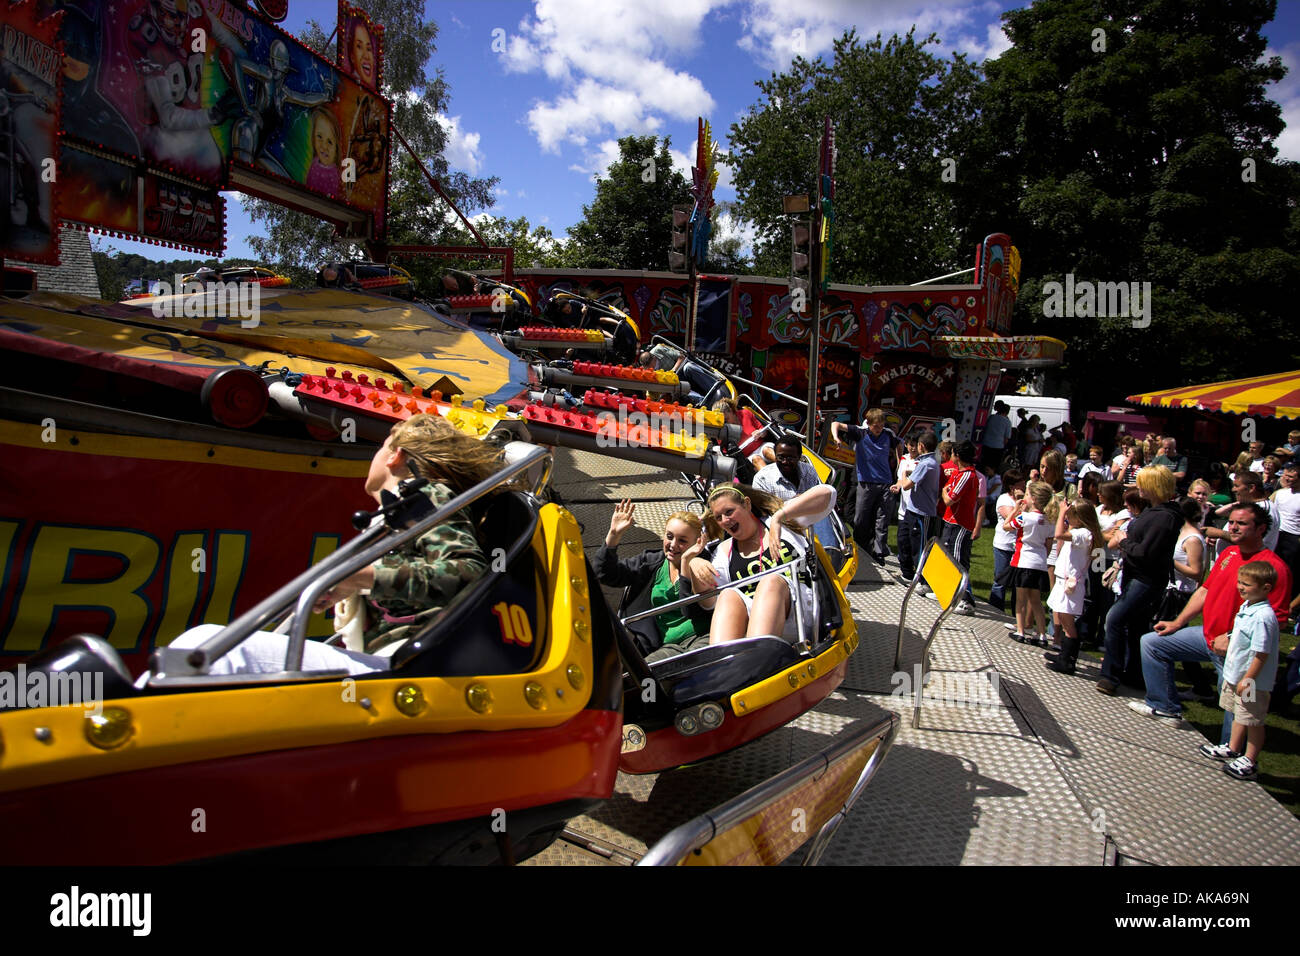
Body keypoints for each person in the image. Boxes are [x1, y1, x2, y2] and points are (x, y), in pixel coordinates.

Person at [168, 414, 494, 674]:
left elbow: (468, 573)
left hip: (409, 663)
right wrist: (355, 583)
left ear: (395, 456)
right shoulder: (399, 513)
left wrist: (360, 577)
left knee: (209, 645)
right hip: (394, 659)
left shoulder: (428, 497)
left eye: (381, 447)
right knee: (210, 651)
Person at [1135, 503, 1291, 728]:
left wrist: (1230, 636)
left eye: (1242, 523)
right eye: (1232, 522)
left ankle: (1233, 751)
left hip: (1238, 648)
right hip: (1207, 635)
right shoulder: (1229, 553)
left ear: (1260, 529)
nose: (1234, 528)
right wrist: (1177, 623)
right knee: (1152, 643)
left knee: (1234, 700)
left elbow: (1277, 620)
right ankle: (1164, 707)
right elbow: (1206, 590)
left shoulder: (1274, 568)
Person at [688, 484, 835, 644]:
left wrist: (780, 517)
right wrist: (694, 565)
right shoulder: (723, 552)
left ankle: (758, 653)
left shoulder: (782, 523)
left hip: (800, 611)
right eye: (718, 517)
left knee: (770, 581)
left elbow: (828, 493)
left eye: (729, 512)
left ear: (747, 504)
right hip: (755, 620)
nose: (725, 520)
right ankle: (724, 661)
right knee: (727, 595)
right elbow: (709, 603)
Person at [1097, 465, 1183, 694]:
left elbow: (1146, 552)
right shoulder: (1156, 512)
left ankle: (1110, 674)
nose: (1138, 487)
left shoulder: (1164, 517)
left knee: (1114, 619)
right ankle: (1134, 674)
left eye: (1142, 483)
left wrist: (1124, 542)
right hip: (1138, 575)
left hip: (1145, 579)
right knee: (1135, 627)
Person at [596, 499, 711, 661]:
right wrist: (614, 535)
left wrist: (686, 564)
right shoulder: (652, 561)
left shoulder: (703, 565)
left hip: (700, 636)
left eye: (683, 541)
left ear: (697, 543)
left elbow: (689, 611)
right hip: (667, 645)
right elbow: (604, 573)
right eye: (669, 536)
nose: (673, 544)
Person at [1200, 561, 1281, 780]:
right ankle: (1232, 747)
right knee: (1238, 712)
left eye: (1246, 584)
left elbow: (1261, 652)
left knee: (1252, 718)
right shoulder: (1247, 607)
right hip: (1236, 673)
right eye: (1239, 582)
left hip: (1250, 680)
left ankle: (1251, 759)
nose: (1240, 587)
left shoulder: (1263, 616)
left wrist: (1249, 678)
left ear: (1265, 587)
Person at [753, 435, 841, 560]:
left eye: (790, 458)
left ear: (799, 457)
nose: (785, 462)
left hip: (808, 517)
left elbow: (818, 500)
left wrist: (800, 502)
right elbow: (763, 512)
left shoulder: (809, 471)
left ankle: (831, 554)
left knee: (823, 513)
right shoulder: (762, 478)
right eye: (780, 457)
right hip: (781, 523)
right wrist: (797, 502)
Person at [832, 408, 901, 564]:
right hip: (866, 483)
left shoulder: (888, 434)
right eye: (876, 426)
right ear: (868, 424)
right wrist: (836, 438)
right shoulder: (860, 433)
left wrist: (898, 463)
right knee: (861, 518)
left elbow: (899, 444)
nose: (879, 429)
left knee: (882, 519)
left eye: (881, 426)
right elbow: (835, 424)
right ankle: (861, 549)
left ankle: (879, 552)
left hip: (885, 482)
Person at [1044, 500, 1104, 674]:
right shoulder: (1079, 532)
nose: (1068, 519)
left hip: (1071, 584)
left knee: (1069, 624)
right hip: (1064, 580)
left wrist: (1062, 512)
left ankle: (1068, 661)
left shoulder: (1084, 534)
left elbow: (1058, 535)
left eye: (1070, 516)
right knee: (1063, 618)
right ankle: (1064, 653)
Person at [1006, 481, 1056, 644]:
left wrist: (1015, 509)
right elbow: (1048, 545)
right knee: (1036, 600)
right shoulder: (1049, 521)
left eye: (1027, 494)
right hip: (1039, 563)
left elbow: (1006, 526)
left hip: (1023, 560)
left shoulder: (1025, 517)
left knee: (1021, 599)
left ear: (1033, 499)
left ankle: (1020, 631)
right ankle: (1041, 635)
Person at [891, 430, 941, 583]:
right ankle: (907, 574)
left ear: (921, 446)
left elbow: (906, 485)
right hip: (911, 510)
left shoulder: (926, 464)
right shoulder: (927, 462)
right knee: (904, 541)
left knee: (919, 548)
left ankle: (923, 581)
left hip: (922, 512)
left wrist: (905, 473)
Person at [938, 440, 980, 615]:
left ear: (958, 456)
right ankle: (953, 594)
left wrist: (944, 492)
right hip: (951, 521)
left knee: (958, 560)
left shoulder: (967, 476)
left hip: (960, 524)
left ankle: (966, 600)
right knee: (949, 558)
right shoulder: (958, 473)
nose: (951, 456)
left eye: (953, 453)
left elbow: (948, 498)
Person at [989, 468, 1026, 612]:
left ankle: (1016, 614)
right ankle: (996, 609)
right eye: (1020, 483)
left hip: (1018, 547)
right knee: (1001, 580)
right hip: (1003, 547)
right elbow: (1013, 520)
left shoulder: (1025, 500)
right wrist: (1019, 506)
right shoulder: (1003, 499)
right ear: (1012, 486)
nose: (1024, 485)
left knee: (1018, 584)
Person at [306, 107, 342, 198]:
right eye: (319, 137)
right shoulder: (314, 162)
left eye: (330, 142)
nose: (324, 146)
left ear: (336, 148)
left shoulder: (334, 175)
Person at [981, 400, 1013, 472]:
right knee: (994, 466)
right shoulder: (1007, 422)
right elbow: (1006, 438)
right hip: (998, 446)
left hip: (986, 444)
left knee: (985, 463)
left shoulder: (991, 417)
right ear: (1007, 412)